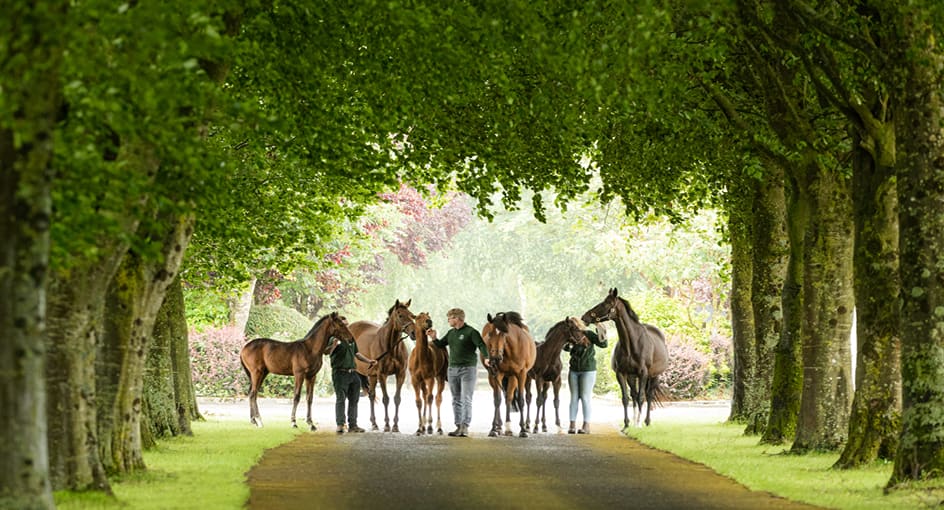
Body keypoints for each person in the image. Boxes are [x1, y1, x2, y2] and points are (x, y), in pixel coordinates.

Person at [429, 307, 490, 437]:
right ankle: (458, 426)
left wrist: (487, 357)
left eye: (449, 318)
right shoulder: (451, 333)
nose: (448, 321)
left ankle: (465, 426)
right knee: (456, 399)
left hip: (468, 369)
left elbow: (481, 345)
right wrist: (434, 338)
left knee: (466, 398)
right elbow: (440, 344)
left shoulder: (471, 332)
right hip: (452, 370)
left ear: (457, 318)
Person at [563, 322, 608, 434]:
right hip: (574, 370)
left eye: (574, 326)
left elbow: (603, 344)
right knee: (574, 397)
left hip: (588, 370)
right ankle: (572, 425)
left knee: (585, 397)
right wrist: (568, 343)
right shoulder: (571, 336)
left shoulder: (589, 334)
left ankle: (586, 425)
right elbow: (566, 348)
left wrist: (601, 331)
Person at [327, 334, 377, 434]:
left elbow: (357, 354)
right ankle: (340, 424)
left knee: (354, 400)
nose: (346, 328)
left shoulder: (351, 339)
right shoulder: (334, 339)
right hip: (340, 373)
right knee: (341, 399)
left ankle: (353, 425)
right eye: (344, 326)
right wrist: (333, 345)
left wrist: (369, 361)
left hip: (353, 373)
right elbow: (327, 353)